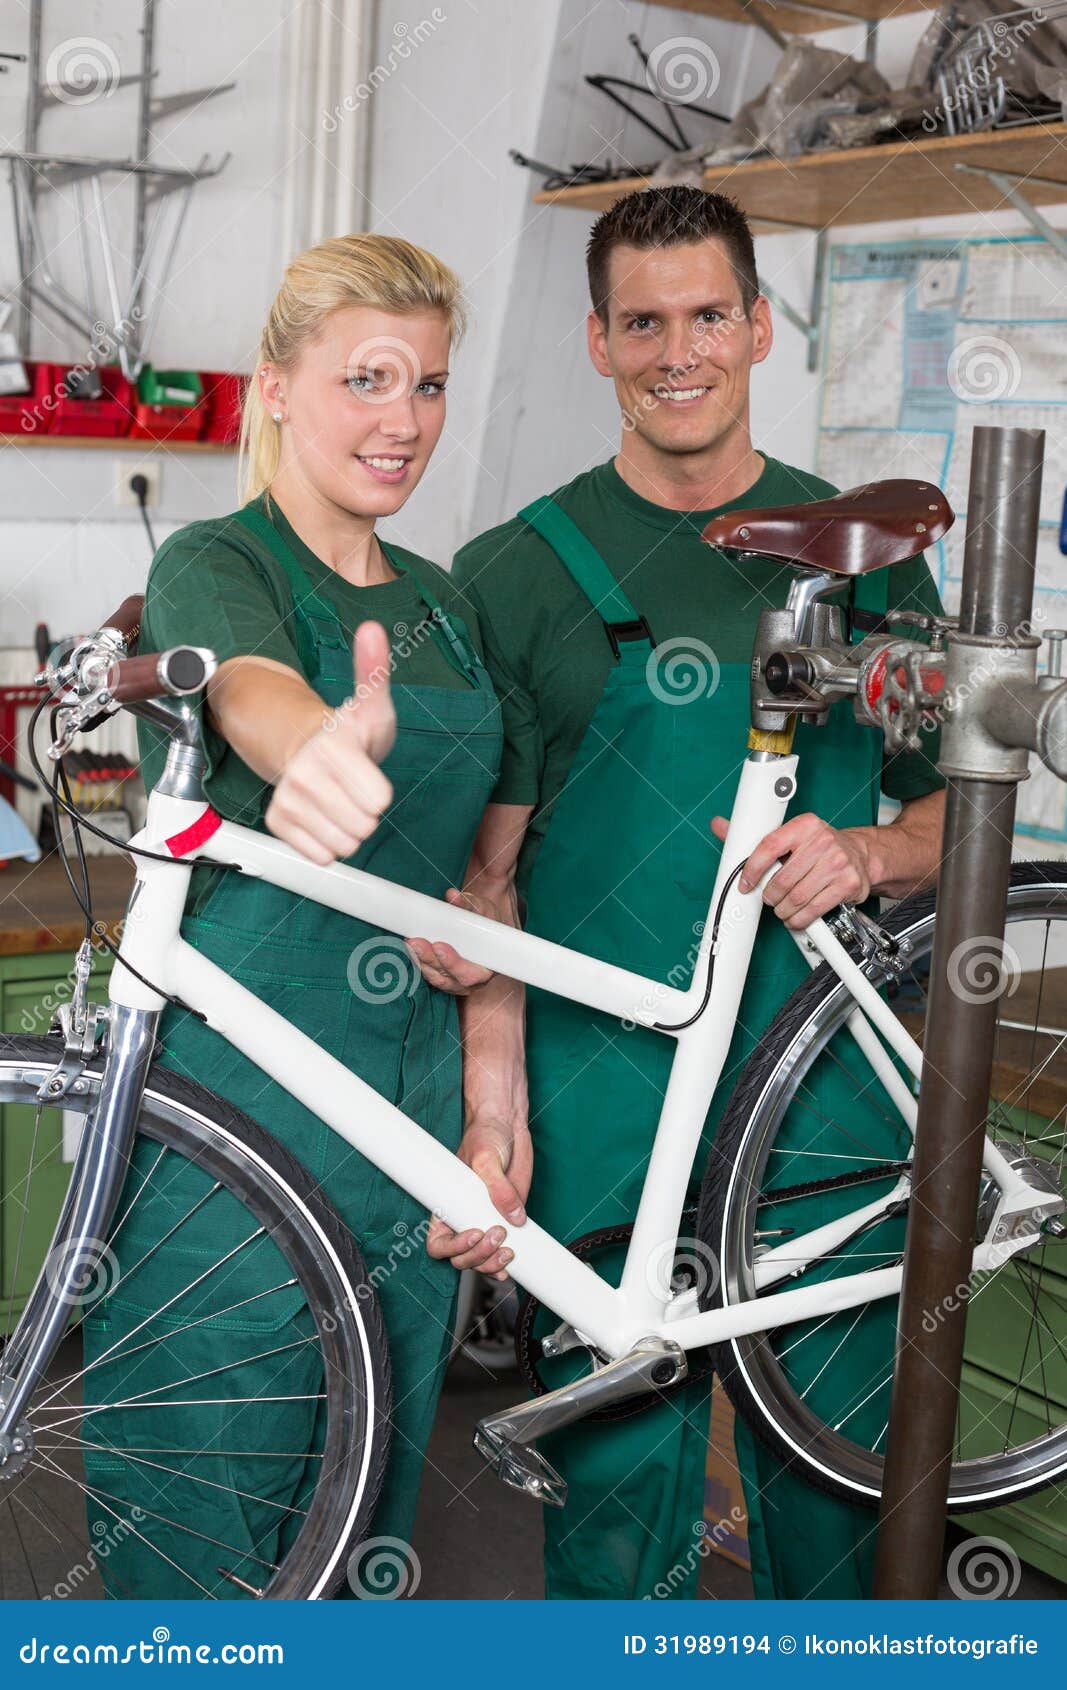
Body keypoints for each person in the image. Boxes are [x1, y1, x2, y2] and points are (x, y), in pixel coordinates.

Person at [409, 186, 947, 1601]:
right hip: (602, 1102)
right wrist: (496, 1111)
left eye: (710, 313)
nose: (679, 349)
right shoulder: (514, 574)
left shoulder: (871, 554)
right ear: (596, 341)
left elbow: (967, 808)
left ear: (761, 324)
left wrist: (873, 853)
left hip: (823, 1093)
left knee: (834, 1500)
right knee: (612, 1515)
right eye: (642, 321)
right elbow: (488, 879)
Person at [80, 233, 509, 1598]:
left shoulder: (448, 609)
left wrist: (494, 1116)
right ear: (274, 386)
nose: (403, 420)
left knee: (367, 1508)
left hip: (410, 1115)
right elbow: (249, 683)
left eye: (430, 385)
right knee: (198, 1489)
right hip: (231, 1117)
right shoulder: (221, 560)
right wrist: (316, 751)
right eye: (365, 378)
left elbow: (494, 894)